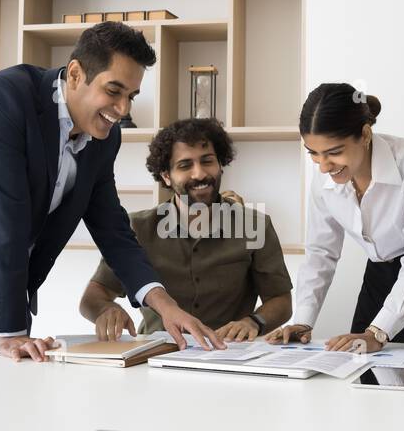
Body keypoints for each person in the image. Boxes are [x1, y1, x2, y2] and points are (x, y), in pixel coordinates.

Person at [0, 21, 224, 362]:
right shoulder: (4, 97)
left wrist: (165, 306)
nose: (123, 110)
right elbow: (5, 215)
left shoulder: (105, 139)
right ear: (75, 74)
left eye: (131, 96)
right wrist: (14, 333)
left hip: (8, 278)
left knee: (7, 386)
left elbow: (113, 229)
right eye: (114, 91)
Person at [265, 83, 404, 353]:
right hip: (378, 274)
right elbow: (321, 253)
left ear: (365, 134)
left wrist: (378, 332)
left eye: (333, 152)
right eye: (313, 154)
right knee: (359, 369)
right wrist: (303, 321)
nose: (323, 166)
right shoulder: (325, 178)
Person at [80, 118, 293, 341]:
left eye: (207, 161)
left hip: (228, 353)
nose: (199, 174)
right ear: (166, 176)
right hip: (155, 354)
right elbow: (93, 297)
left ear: (220, 164)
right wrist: (105, 311)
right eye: (185, 165)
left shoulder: (255, 225)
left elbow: (281, 300)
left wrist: (254, 322)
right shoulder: (137, 228)